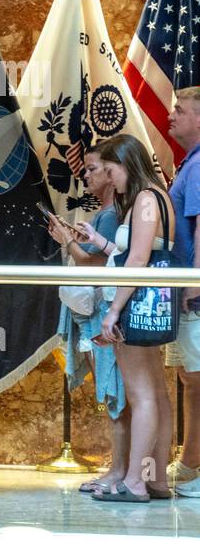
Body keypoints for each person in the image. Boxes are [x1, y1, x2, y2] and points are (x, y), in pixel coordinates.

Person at [92, 133, 175, 502]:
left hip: (137, 304)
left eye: (110, 170)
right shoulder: (160, 196)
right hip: (154, 304)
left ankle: (137, 482)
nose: (110, 179)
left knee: (142, 397)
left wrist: (113, 310)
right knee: (156, 394)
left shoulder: (145, 199)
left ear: (127, 163)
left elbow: (137, 259)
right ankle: (155, 478)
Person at [45, 147, 129, 493]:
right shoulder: (103, 214)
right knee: (111, 394)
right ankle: (118, 467)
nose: (86, 175)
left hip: (99, 312)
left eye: (94, 169)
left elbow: (93, 264)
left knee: (115, 395)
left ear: (112, 174)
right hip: (89, 314)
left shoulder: (110, 215)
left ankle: (120, 470)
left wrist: (68, 242)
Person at [164, 86, 200, 497]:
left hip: (196, 292)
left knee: (196, 377)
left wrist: (194, 281)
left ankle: (193, 466)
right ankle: (190, 463)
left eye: (180, 110)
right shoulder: (189, 164)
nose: (171, 116)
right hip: (189, 291)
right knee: (191, 378)